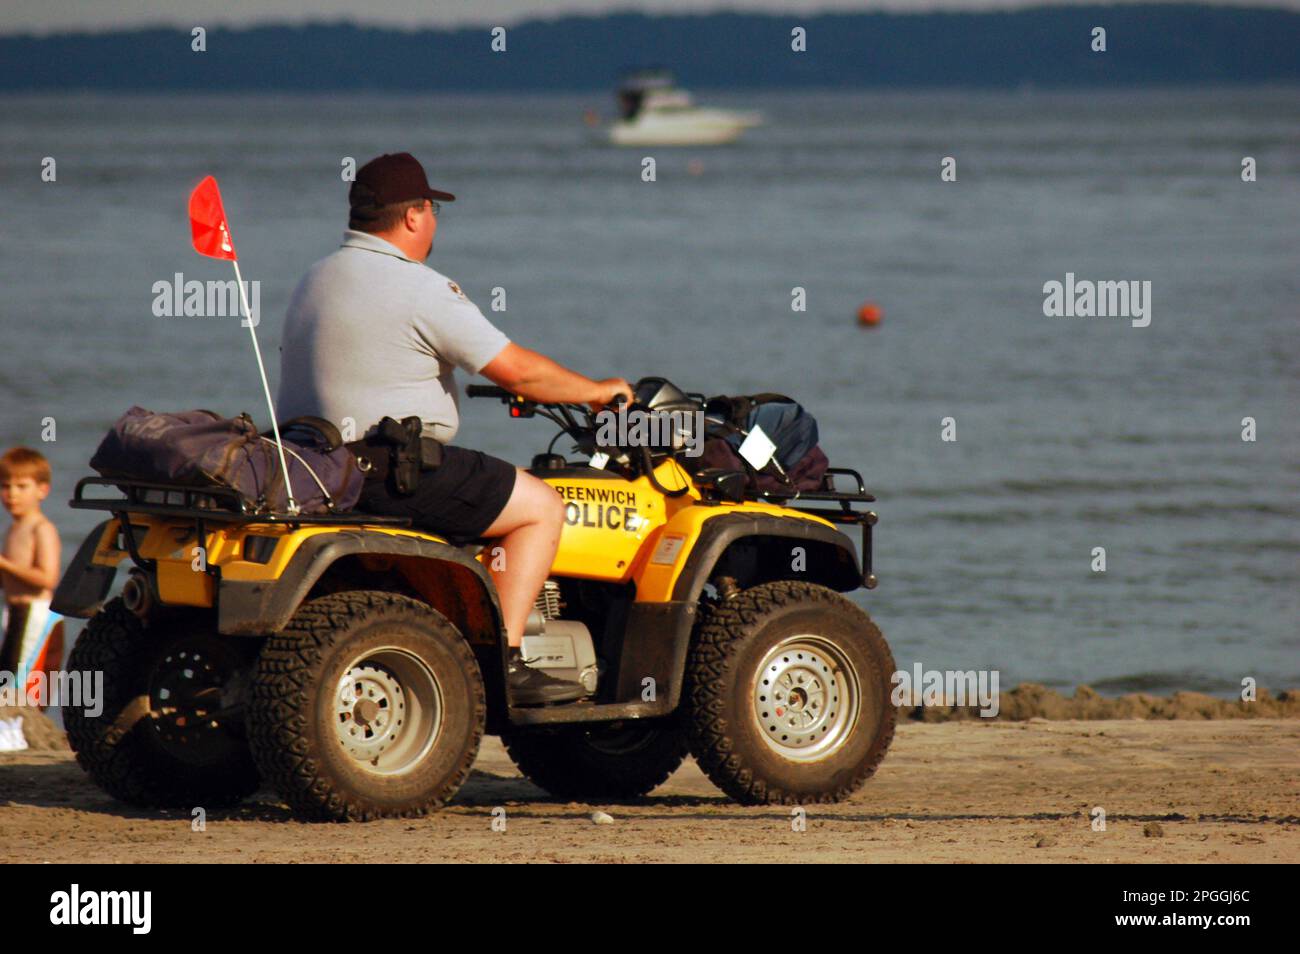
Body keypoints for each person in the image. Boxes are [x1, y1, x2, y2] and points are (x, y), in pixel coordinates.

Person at [276, 152, 633, 705]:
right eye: (433, 210)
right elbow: (519, 371)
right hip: (389, 472)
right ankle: (506, 662)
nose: (436, 222)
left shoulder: (314, 278)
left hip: (316, 467)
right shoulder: (419, 287)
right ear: (415, 215)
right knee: (541, 506)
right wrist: (599, 391)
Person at [0, 448, 63, 694]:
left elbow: (48, 578)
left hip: (35, 615)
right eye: (5, 486)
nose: (12, 494)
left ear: (42, 490)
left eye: (21, 486)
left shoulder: (41, 528)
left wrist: (5, 564)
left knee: (21, 688)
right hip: (15, 613)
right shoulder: (14, 528)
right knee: (7, 681)